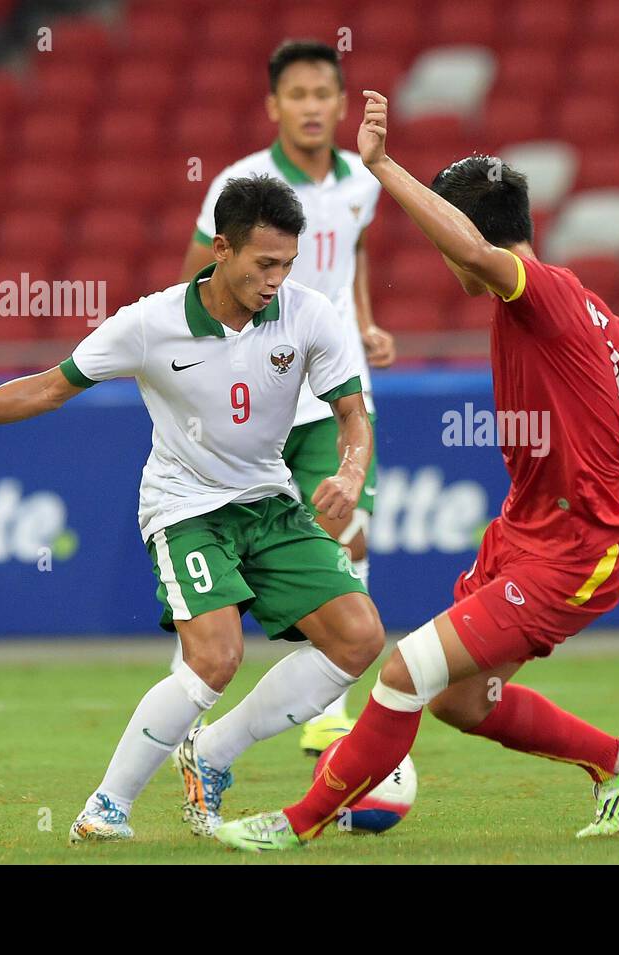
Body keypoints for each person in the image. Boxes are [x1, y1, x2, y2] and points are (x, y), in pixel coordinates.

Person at [212, 90, 619, 852]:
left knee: (402, 671)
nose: (447, 263)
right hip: (525, 530)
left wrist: (384, 167)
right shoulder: (580, 303)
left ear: (468, 237)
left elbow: (485, 256)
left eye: (448, 242)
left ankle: (295, 823)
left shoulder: (535, 288)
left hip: (579, 548)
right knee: (457, 700)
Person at [0, 175, 386, 841]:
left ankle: (213, 752)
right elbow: (47, 389)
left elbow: (351, 412)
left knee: (359, 636)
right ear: (220, 249)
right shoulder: (150, 323)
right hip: (187, 508)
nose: (276, 280)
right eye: (264, 264)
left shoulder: (309, 313)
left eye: (286, 264)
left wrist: (351, 466)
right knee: (216, 656)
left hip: (268, 500)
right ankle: (106, 806)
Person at [179, 40, 393, 755]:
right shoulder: (240, 185)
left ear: (339, 103)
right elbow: (195, 282)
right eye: (295, 94)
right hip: (258, 396)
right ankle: (194, 677)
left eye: (322, 94)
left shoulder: (363, 180)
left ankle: (329, 708)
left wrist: (362, 322)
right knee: (246, 546)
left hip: (336, 385)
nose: (310, 106)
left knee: (343, 532)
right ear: (273, 105)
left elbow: (353, 252)